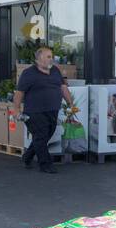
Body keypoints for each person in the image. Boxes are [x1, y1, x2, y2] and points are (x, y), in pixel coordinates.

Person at [14, 45, 74, 174]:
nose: (51, 59)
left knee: (45, 135)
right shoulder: (28, 73)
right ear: (39, 59)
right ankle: (45, 164)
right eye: (48, 57)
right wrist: (16, 110)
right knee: (41, 135)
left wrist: (70, 103)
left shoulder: (55, 71)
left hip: (52, 110)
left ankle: (27, 157)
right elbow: (19, 93)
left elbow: (63, 87)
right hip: (34, 112)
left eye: (51, 57)